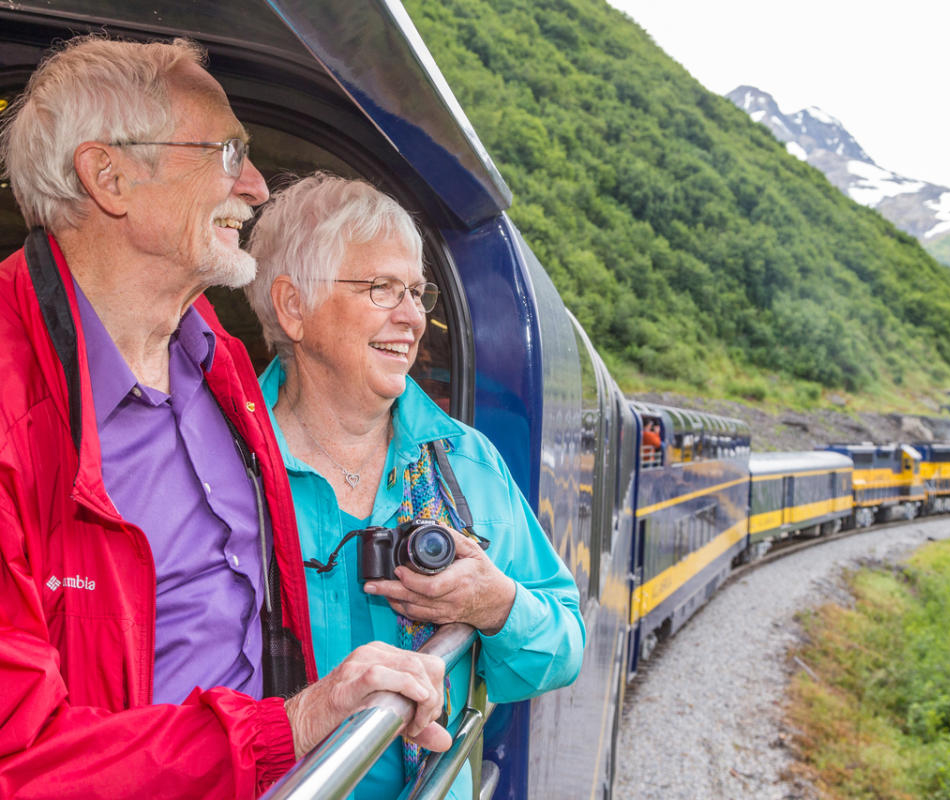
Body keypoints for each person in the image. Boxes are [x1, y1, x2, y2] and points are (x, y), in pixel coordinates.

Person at [0, 36, 448, 799]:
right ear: (109, 176)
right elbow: (19, 756)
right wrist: (292, 727)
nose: (256, 183)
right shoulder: (16, 401)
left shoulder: (219, 366)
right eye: (226, 152)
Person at [244, 173, 585, 800]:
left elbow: (566, 644)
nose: (413, 319)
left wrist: (496, 604)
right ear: (293, 307)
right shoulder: (221, 463)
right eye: (381, 289)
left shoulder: (465, 464)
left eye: (416, 292)